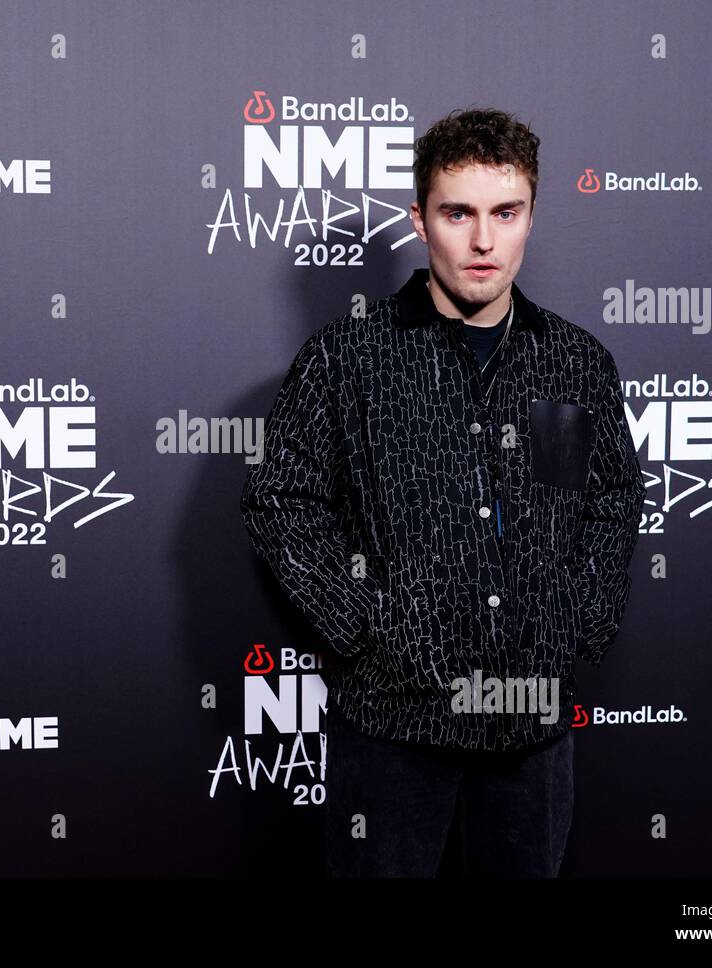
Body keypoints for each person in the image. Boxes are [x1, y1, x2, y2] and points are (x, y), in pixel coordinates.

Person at [240, 107, 646, 877]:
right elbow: (279, 499)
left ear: (532, 215)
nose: (484, 241)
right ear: (420, 221)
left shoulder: (576, 363)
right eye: (458, 213)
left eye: (506, 213)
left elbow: (608, 500)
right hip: (393, 730)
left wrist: (577, 618)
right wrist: (368, 627)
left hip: (532, 730)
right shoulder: (347, 358)